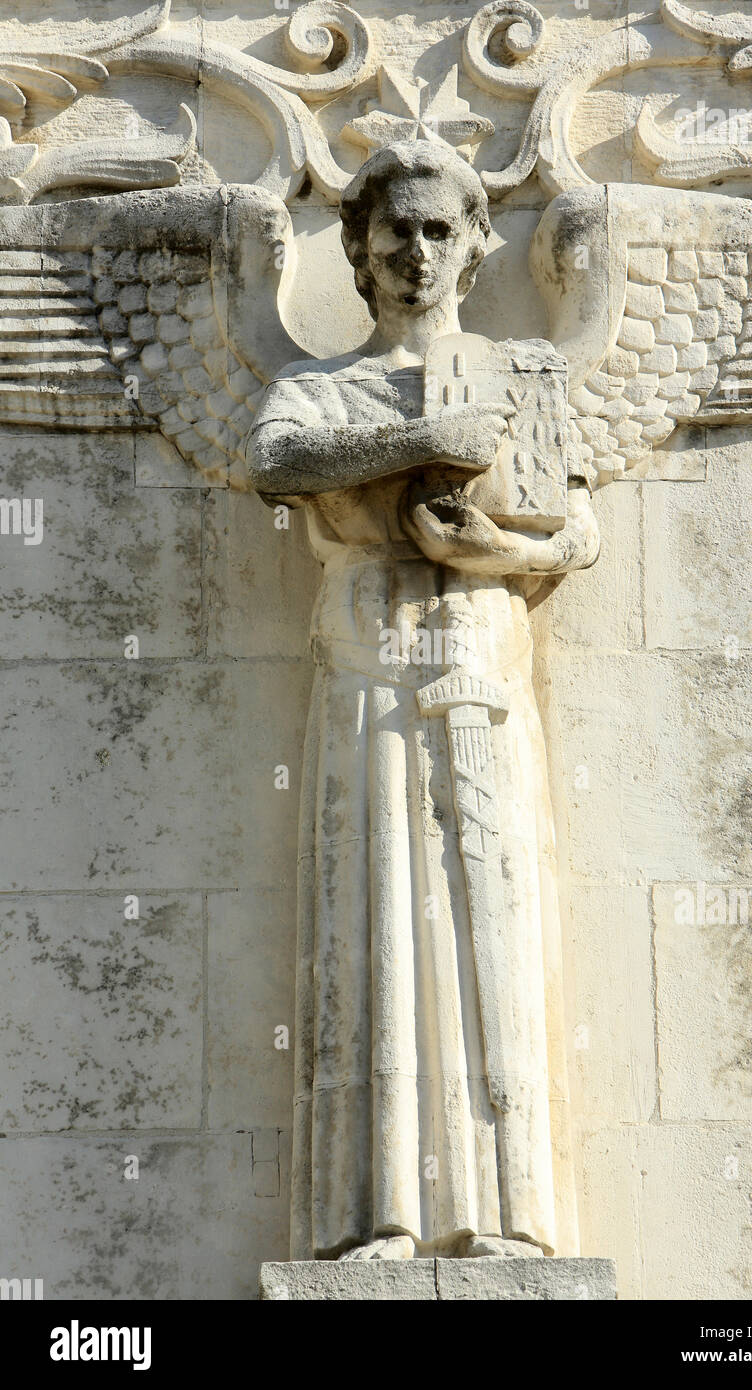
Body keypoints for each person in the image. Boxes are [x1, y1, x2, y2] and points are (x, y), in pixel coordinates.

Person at [246, 139, 600, 1260]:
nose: (415, 249)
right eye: (392, 228)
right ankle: (373, 1219)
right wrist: (417, 444)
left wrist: (485, 542)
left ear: (472, 247)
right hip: (363, 684)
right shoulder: (318, 389)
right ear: (356, 249)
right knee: (370, 939)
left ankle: (508, 1221)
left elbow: (572, 534)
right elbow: (277, 463)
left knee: (493, 931)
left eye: (438, 229)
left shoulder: (519, 378)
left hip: (481, 673)